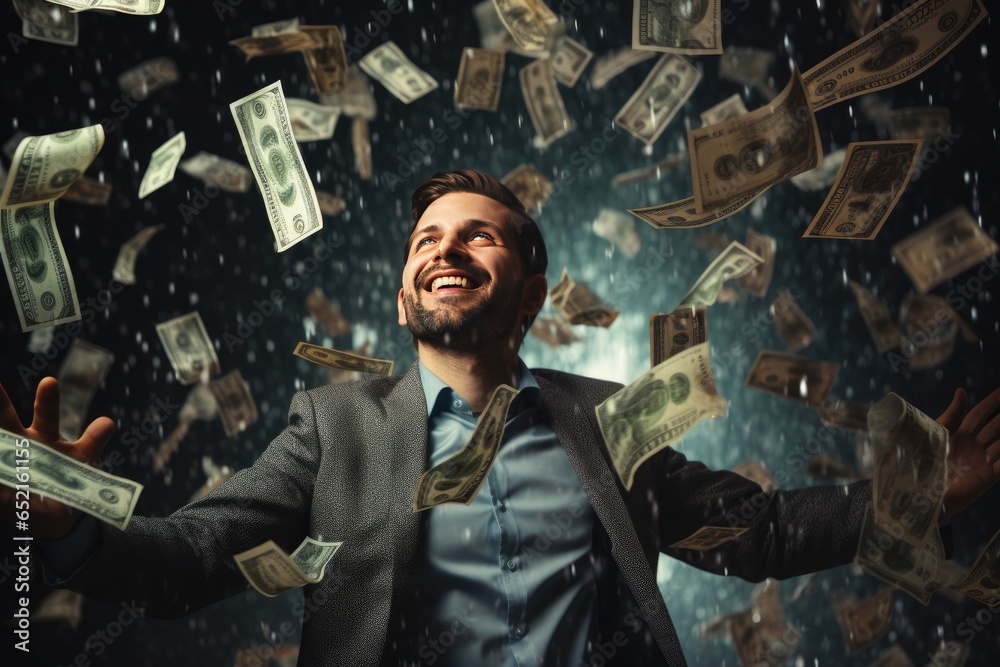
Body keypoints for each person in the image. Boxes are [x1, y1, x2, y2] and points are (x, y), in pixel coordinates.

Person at [2, 168, 999, 667]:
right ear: (402, 297)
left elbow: (759, 531)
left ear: (528, 291)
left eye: (478, 235)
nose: (445, 249)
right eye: (427, 238)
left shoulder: (611, 418)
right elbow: (196, 556)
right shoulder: (330, 424)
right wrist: (68, 522)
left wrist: (918, 498)